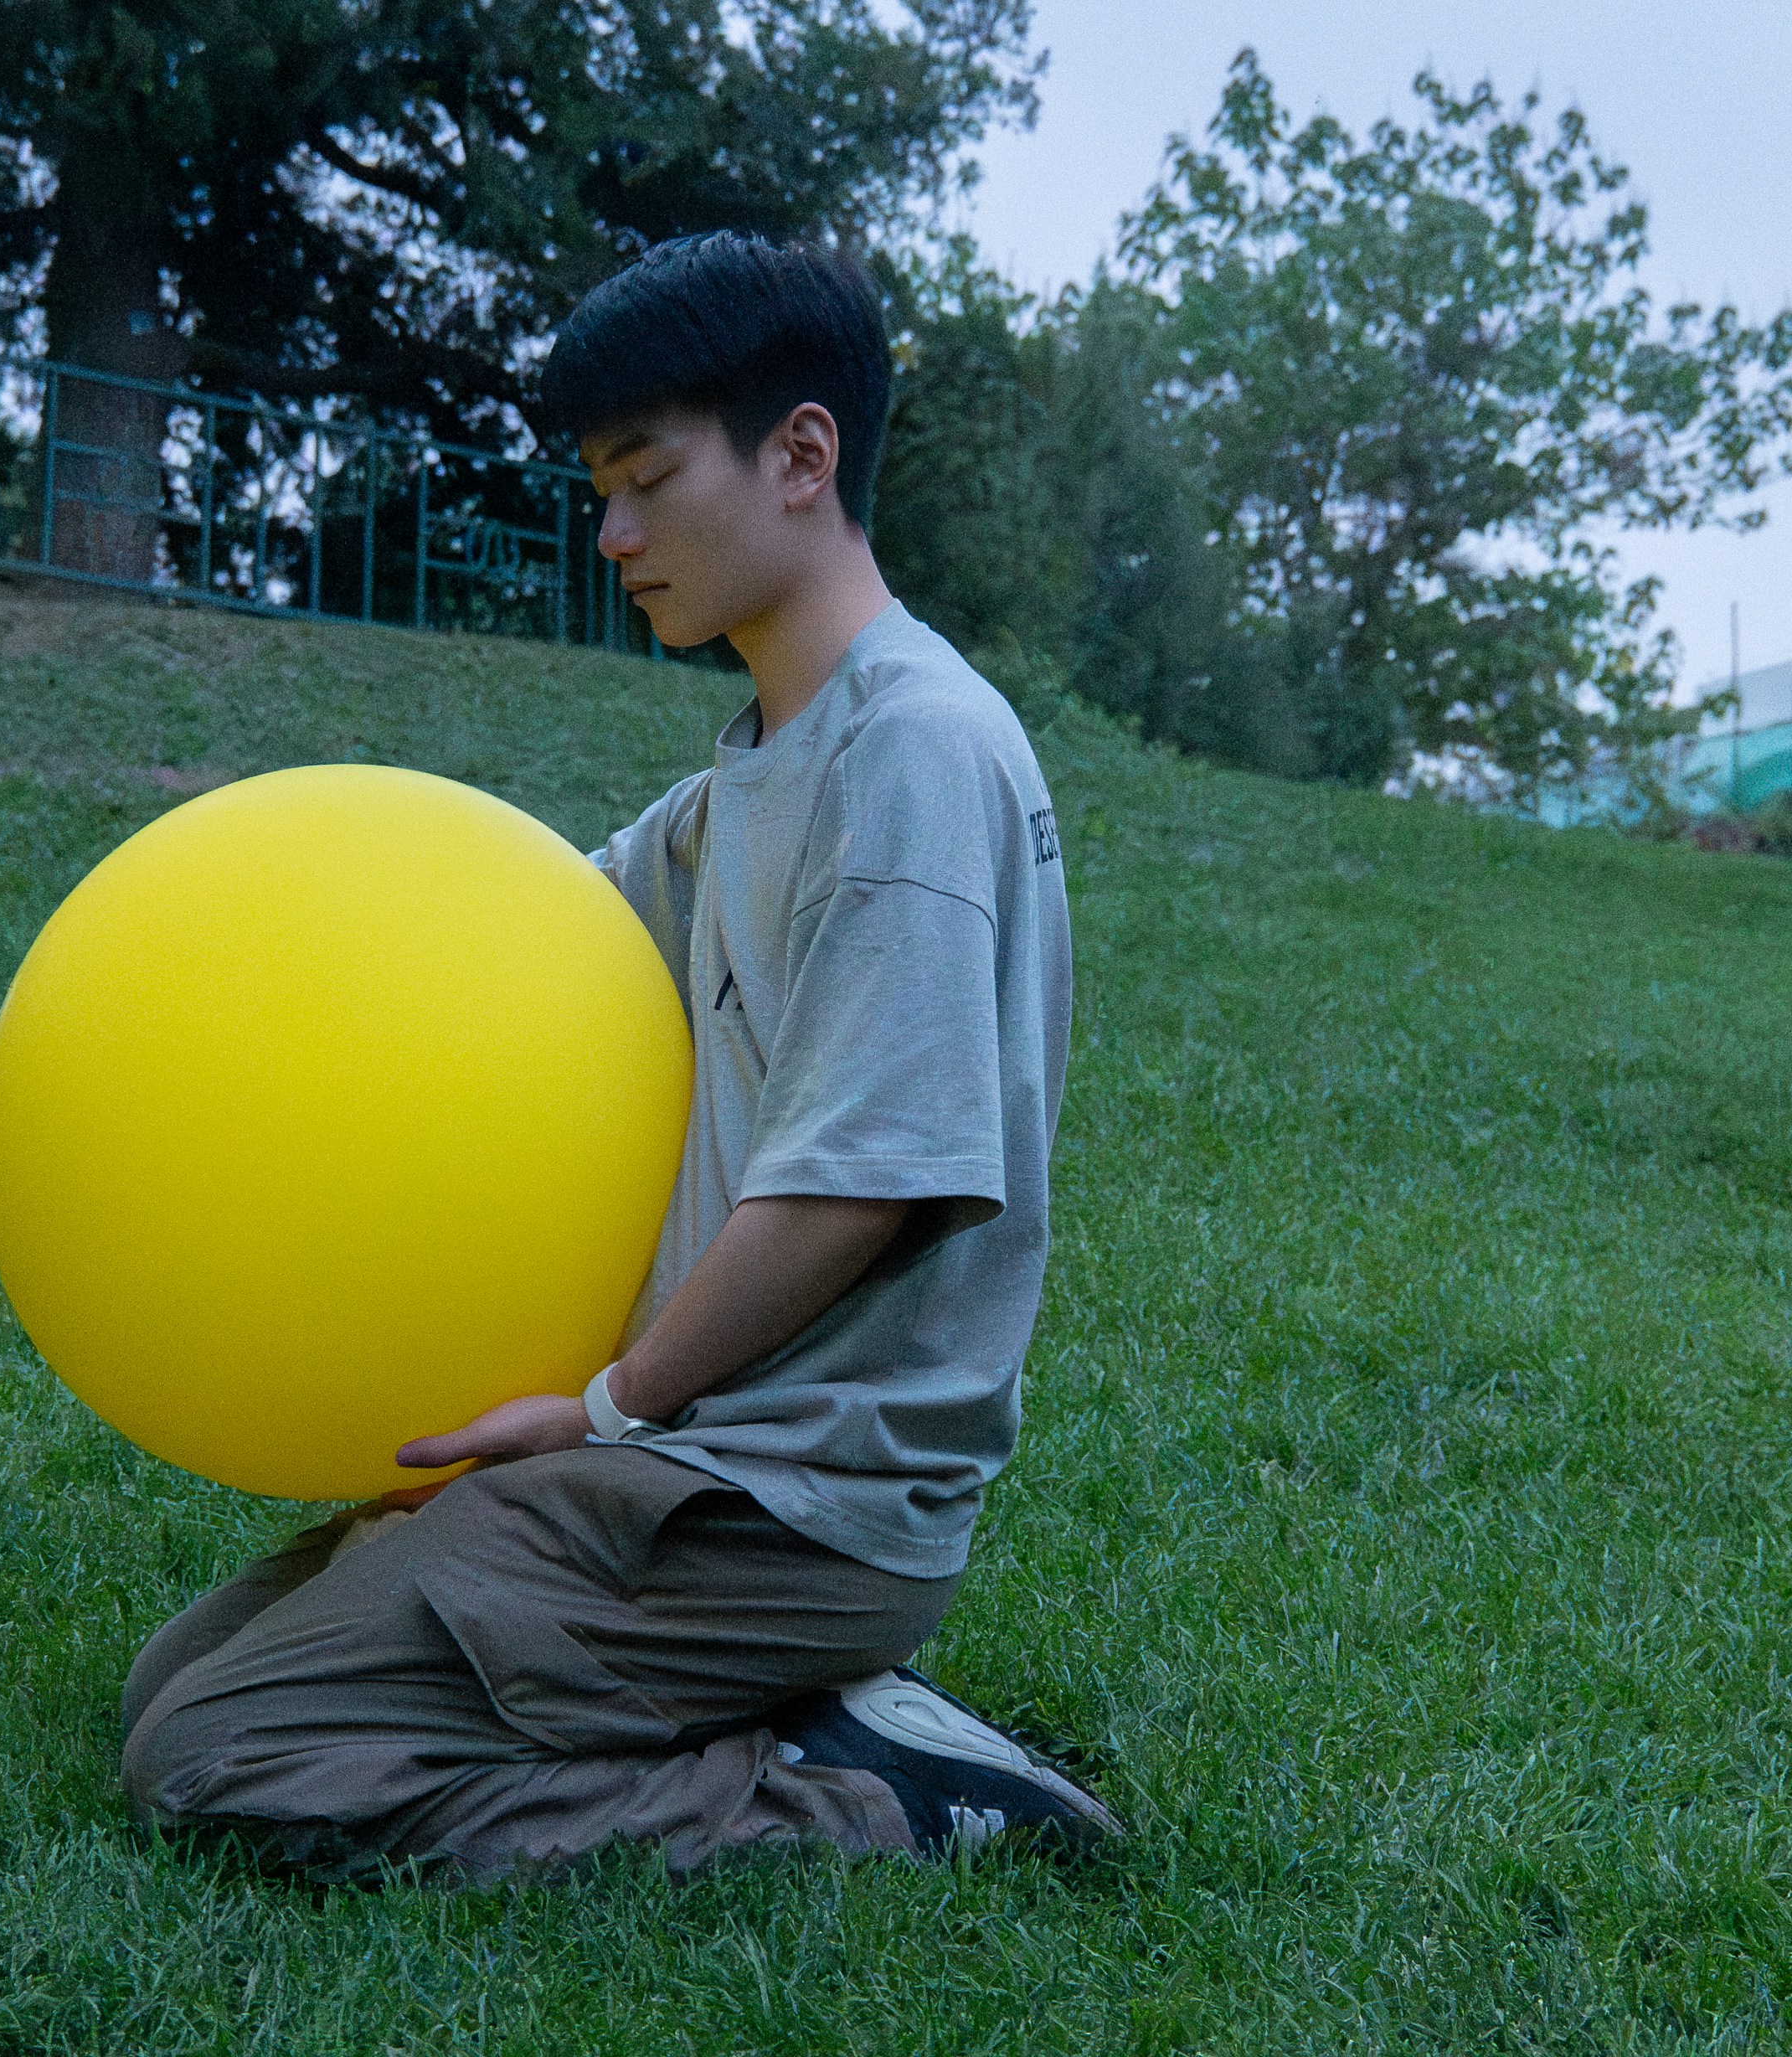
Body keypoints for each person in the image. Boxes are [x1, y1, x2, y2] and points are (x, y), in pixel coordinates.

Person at [96, 232, 1108, 1881]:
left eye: (644, 479)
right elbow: (478, 950)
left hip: (783, 1497)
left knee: (225, 1749)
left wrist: (608, 1412)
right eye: (599, 488)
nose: (613, 533)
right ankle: (798, 1717)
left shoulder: (915, 756)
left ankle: (857, 1801)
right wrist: (118, 1029)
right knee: (173, 1679)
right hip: (690, 1458)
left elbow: (860, 1194)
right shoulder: (749, 780)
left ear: (801, 456)